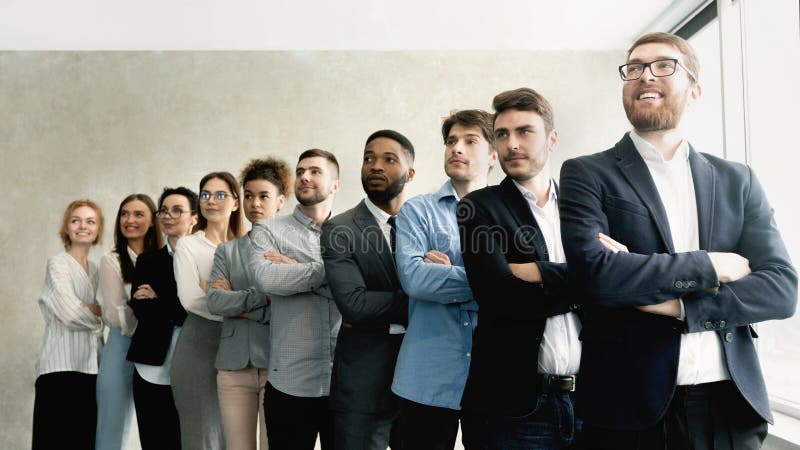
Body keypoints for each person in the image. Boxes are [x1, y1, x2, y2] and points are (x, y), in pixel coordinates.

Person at [558, 32, 798, 450]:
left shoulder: (736, 180)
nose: (645, 75)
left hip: (729, 409)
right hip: (627, 411)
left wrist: (674, 304)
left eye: (664, 65)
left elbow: (781, 289)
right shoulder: (586, 173)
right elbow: (596, 276)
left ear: (695, 88)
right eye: (634, 68)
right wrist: (713, 265)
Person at [457, 90, 582, 449]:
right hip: (513, 410)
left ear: (552, 139)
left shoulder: (584, 205)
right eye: (502, 134)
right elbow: (499, 296)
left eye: (524, 131)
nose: (511, 144)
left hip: (592, 401)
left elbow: (619, 281)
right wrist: (585, 283)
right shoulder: (478, 207)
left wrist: (539, 272)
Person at [391, 110, 496, 450]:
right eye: (451, 141)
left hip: (491, 377)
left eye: (470, 141)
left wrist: (449, 272)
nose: (457, 149)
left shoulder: (510, 215)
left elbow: (524, 289)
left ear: (493, 155)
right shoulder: (417, 211)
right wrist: (494, 281)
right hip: (425, 376)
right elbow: (416, 280)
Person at [321, 130, 415, 450]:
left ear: (410, 173)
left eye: (389, 159)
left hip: (419, 379)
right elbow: (355, 304)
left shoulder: (425, 226)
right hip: (362, 384)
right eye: (368, 158)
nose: (375, 166)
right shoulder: (340, 228)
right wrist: (423, 300)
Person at [249, 149, 341, 450]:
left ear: (335, 184)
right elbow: (267, 278)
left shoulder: (352, 233)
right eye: (301, 170)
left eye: (315, 171)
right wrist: (331, 272)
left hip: (344, 384)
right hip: (289, 382)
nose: (304, 176)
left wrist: (298, 272)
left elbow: (362, 291)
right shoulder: (268, 230)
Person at [207, 157, 291, 450]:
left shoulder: (292, 250)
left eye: (263, 196)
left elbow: (291, 306)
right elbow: (215, 301)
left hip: (279, 367)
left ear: (280, 201)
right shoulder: (227, 252)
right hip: (232, 367)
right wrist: (263, 297)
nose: (254, 203)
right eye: (249, 195)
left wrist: (240, 306)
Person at [172, 172, 245, 450]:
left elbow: (264, 296)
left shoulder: (247, 245)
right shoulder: (189, 245)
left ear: (236, 203)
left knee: (236, 439)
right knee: (203, 437)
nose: (210, 201)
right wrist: (241, 304)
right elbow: (191, 299)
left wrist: (216, 292)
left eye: (219, 195)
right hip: (199, 348)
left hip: (241, 349)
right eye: (205, 195)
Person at [127, 187, 198, 449]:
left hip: (195, 366)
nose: (168, 216)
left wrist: (160, 299)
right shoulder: (147, 261)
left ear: (194, 218)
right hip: (150, 366)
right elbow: (141, 309)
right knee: (154, 442)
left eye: (177, 210)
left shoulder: (209, 257)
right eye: (164, 210)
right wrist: (177, 305)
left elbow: (202, 310)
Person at [32, 199, 105, 450]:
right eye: (76, 220)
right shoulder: (58, 264)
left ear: (98, 229)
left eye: (90, 221)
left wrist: (92, 310)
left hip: (91, 369)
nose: (82, 226)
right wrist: (97, 314)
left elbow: (111, 313)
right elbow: (69, 312)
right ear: (67, 228)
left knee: (84, 442)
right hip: (59, 370)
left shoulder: (96, 270)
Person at [96, 194, 162, 450]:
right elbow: (116, 313)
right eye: (124, 214)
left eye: (138, 214)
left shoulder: (164, 258)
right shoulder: (111, 260)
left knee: (156, 428)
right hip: (121, 350)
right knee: (113, 429)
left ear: (153, 221)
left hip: (159, 352)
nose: (129, 220)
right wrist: (157, 314)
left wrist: (155, 307)